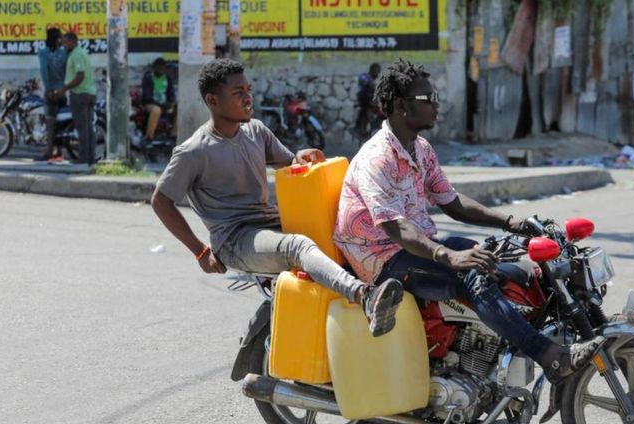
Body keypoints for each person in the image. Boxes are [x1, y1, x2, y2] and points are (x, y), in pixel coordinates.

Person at [333, 59, 604, 384]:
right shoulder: (376, 159)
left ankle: (488, 354)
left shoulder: (419, 149)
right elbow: (394, 227)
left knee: (494, 261)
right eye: (427, 99)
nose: (436, 105)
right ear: (401, 106)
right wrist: (448, 256)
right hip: (382, 258)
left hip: (415, 244)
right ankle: (549, 356)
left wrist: (513, 222)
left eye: (436, 97)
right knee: (472, 276)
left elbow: (453, 201)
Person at [150, 59, 404, 338]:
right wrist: (200, 251)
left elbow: (289, 162)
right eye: (238, 93)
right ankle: (365, 296)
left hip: (269, 222)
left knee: (347, 227)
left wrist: (302, 156)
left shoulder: (255, 131)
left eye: (248, 89)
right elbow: (161, 201)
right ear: (212, 100)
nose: (248, 98)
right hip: (235, 239)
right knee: (297, 246)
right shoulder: (193, 151)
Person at [56, 32, 96, 165]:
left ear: (72, 42)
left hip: (80, 94)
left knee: (82, 129)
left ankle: (84, 159)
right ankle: (90, 158)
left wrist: (64, 88)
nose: (63, 45)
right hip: (89, 93)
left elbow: (80, 76)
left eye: (65, 42)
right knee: (89, 128)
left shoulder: (77, 54)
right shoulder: (81, 53)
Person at [37, 27, 68, 162]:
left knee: (50, 122)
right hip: (62, 91)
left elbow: (44, 71)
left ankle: (48, 152)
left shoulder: (43, 53)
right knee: (61, 123)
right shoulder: (64, 53)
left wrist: (48, 89)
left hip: (51, 91)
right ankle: (59, 152)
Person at [141, 57, 177, 148]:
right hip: (150, 104)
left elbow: (171, 94)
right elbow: (147, 95)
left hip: (164, 105)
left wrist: (171, 103)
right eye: (159, 68)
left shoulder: (167, 78)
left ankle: (173, 135)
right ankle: (149, 137)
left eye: (163, 68)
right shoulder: (148, 77)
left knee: (179, 108)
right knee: (156, 110)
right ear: (154, 68)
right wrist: (159, 105)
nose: (161, 70)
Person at [355, 63, 382, 140]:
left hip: (370, 102)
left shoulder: (372, 80)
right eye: (377, 71)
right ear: (373, 70)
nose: (378, 74)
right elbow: (368, 84)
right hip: (364, 102)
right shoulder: (364, 77)